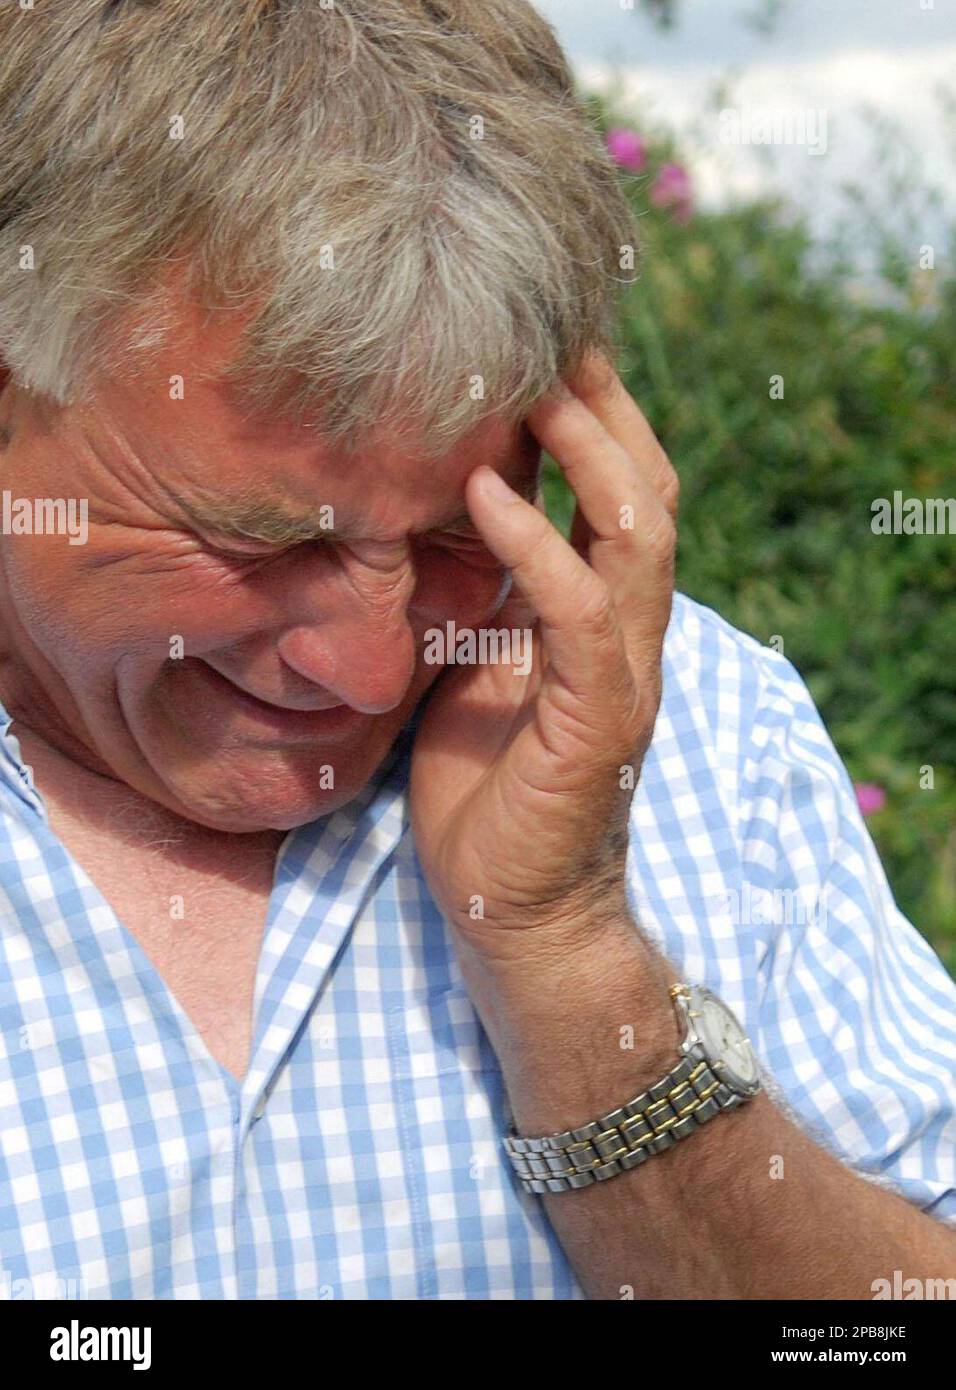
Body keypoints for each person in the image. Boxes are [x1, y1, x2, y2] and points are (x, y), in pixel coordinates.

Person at [0, 0, 952, 1302]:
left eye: (459, 534)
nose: (376, 670)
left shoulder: (695, 733)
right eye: (261, 539)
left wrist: (566, 956)